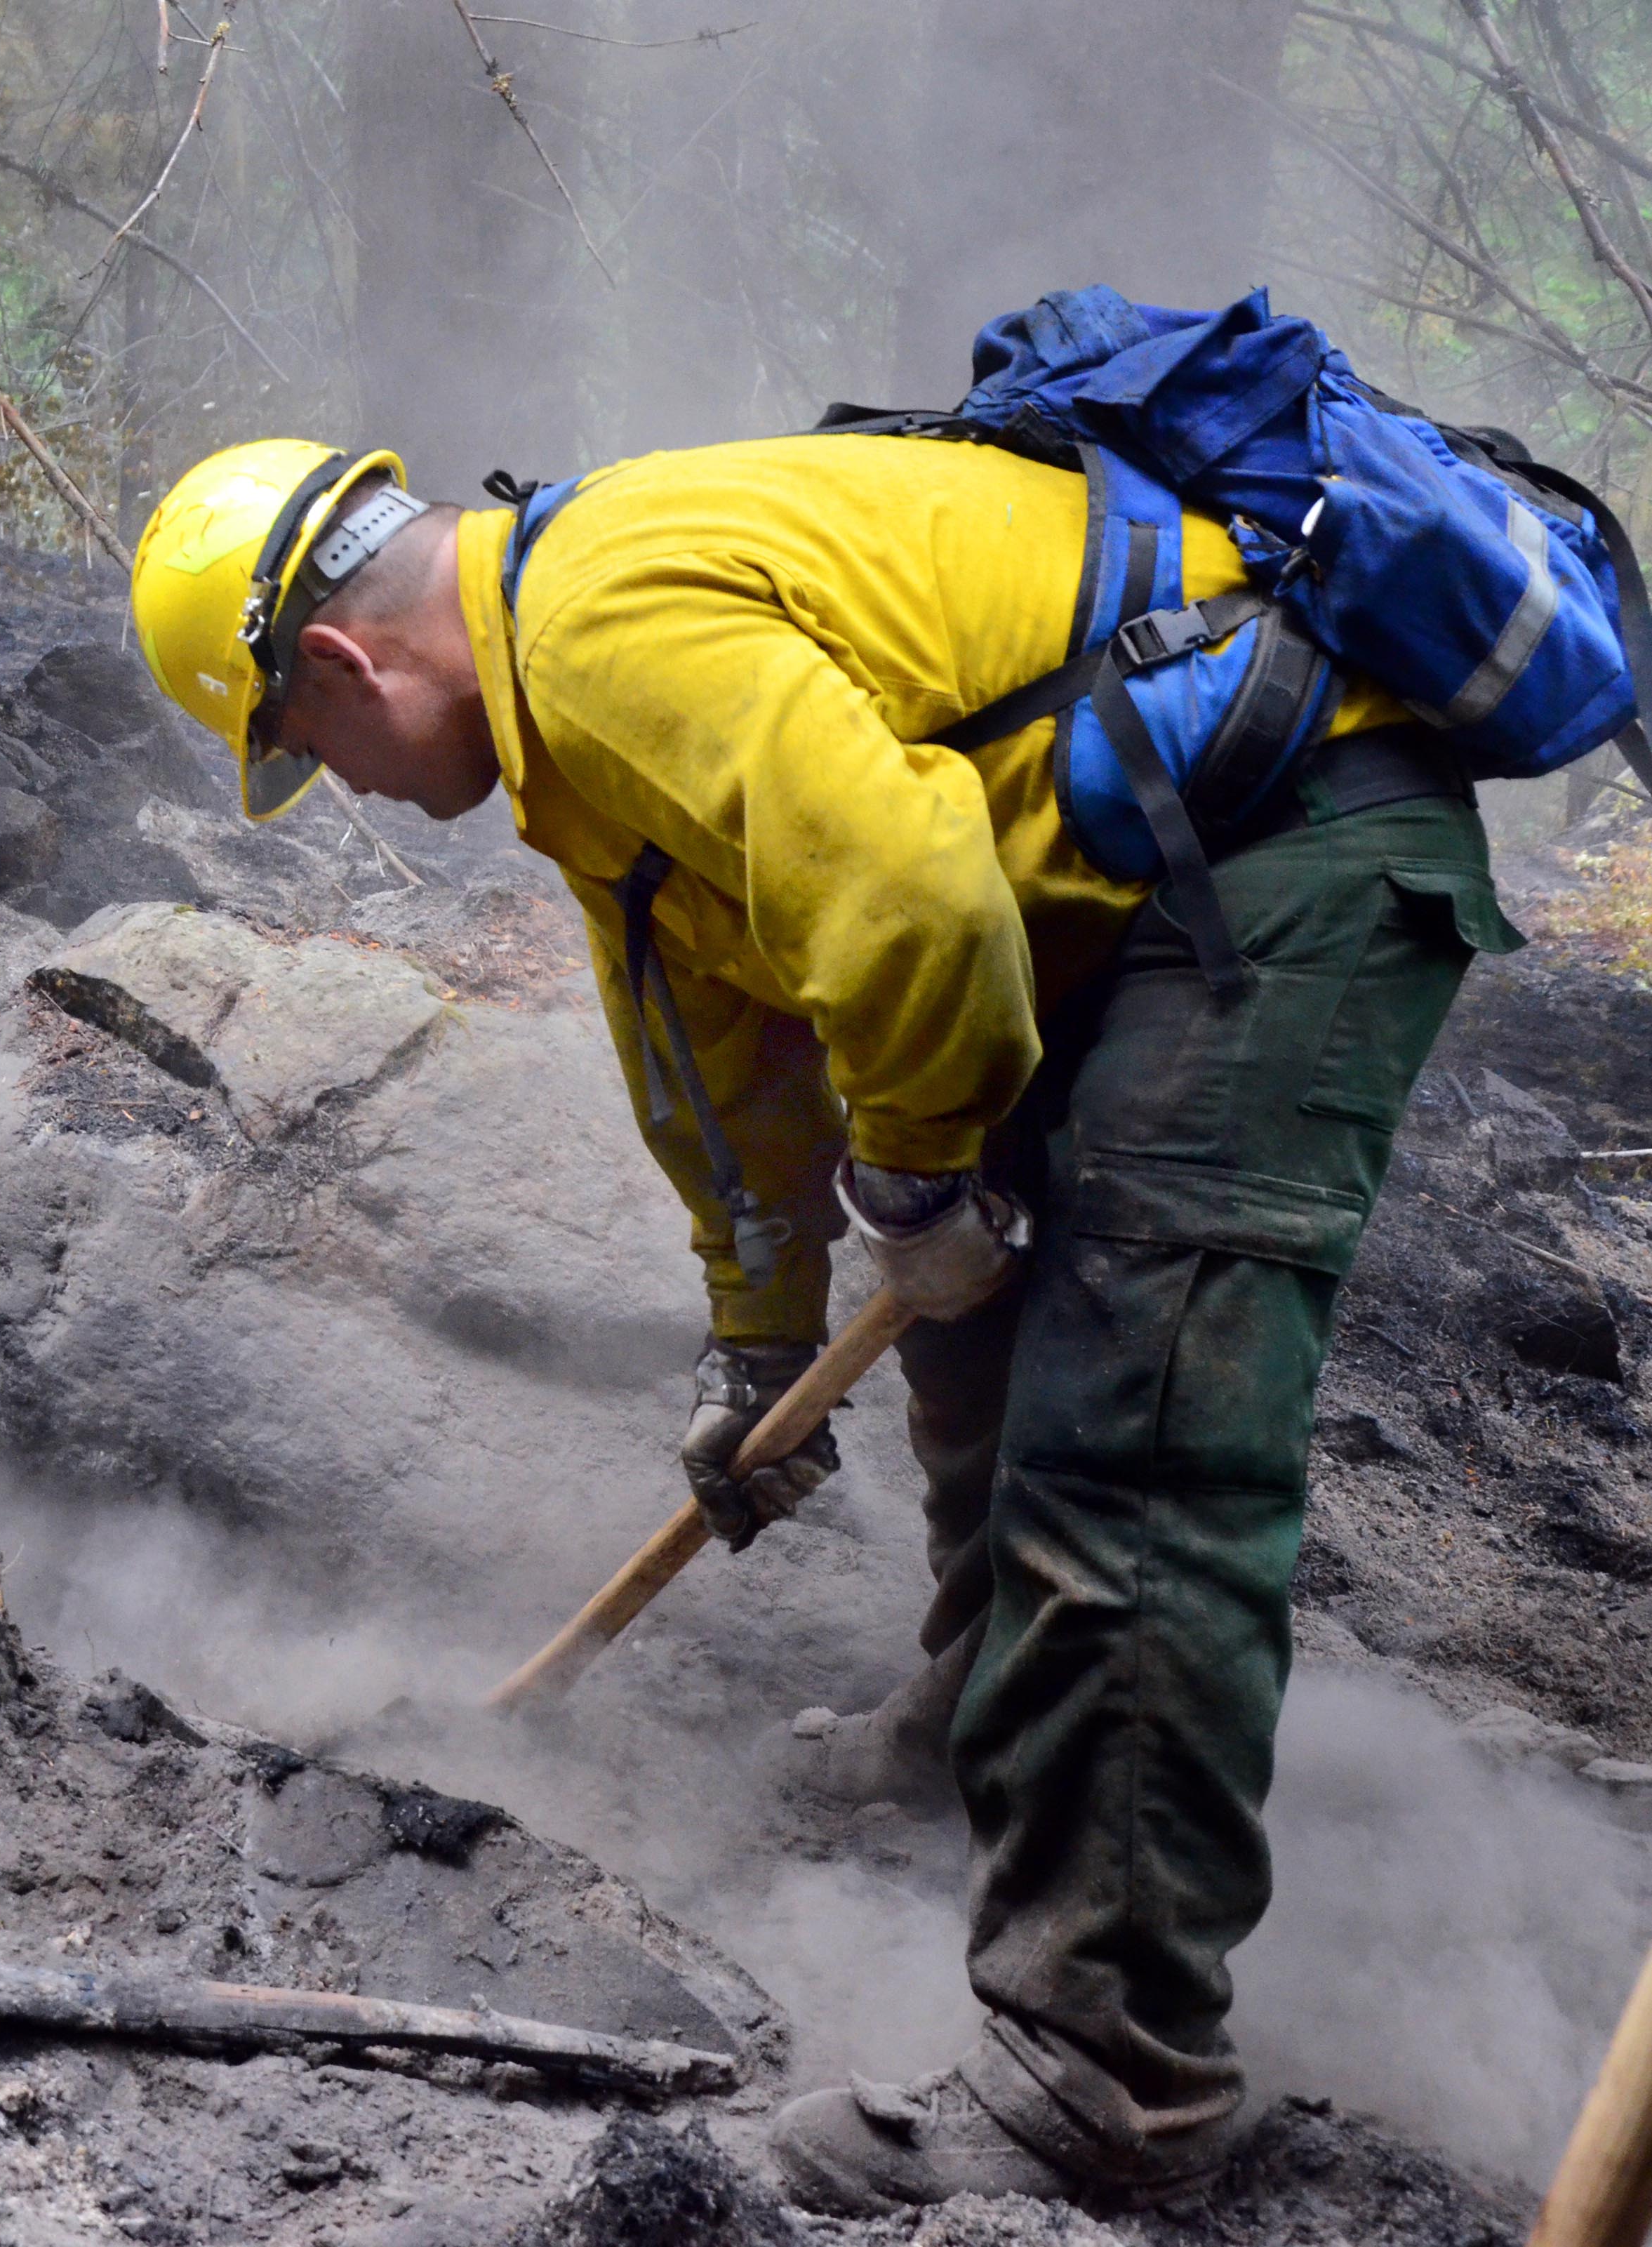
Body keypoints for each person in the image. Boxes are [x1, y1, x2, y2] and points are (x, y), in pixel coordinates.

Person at [128, 434, 1517, 2211]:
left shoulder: (601, 633)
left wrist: (923, 1189)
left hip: (1284, 840)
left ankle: (1103, 2073)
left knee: (1132, 1431)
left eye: (308, 753)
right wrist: (761, 1339)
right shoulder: (560, 703)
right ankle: (978, 1712)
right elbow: (711, 1044)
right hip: (1120, 875)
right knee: (962, 1324)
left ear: (342, 663)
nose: (350, 788)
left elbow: (918, 903)